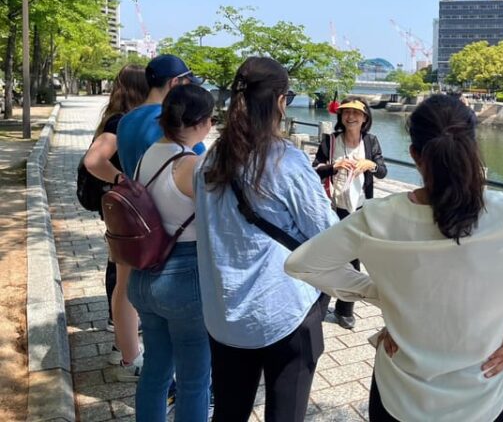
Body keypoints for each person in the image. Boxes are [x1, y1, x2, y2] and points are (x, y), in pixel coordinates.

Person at [286, 94, 503, 422]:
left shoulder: (375, 219)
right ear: (473, 148)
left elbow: (302, 264)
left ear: (414, 155)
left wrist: (380, 294)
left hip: (399, 394)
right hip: (487, 392)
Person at [194, 56, 338, 422]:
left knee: (228, 412)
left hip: (224, 313)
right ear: (280, 101)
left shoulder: (209, 160)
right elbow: (328, 236)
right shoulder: (286, 160)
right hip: (284, 311)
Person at [113, 54, 204, 382]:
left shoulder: (126, 120)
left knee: (124, 288)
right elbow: (199, 173)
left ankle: (129, 358)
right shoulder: (171, 124)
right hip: (168, 231)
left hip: (132, 221)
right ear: (176, 83)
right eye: (188, 81)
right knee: (176, 320)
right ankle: (178, 377)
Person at [127, 84, 214, 421]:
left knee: (155, 370)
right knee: (194, 380)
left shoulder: (149, 154)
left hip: (144, 274)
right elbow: (214, 222)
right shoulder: (191, 164)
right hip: (183, 280)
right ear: (201, 122)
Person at [83, 64, 149, 371]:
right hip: (124, 208)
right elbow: (94, 160)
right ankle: (125, 352)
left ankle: (122, 345)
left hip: (119, 207)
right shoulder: (121, 122)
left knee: (120, 271)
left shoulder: (117, 117)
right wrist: (125, 181)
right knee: (124, 277)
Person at [312, 97, 387, 329]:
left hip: (361, 209)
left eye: (356, 113)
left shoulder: (371, 142)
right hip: (334, 208)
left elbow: (382, 171)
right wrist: (334, 167)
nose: (350, 117)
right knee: (328, 258)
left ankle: (345, 310)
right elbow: (314, 171)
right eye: (346, 112)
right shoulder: (330, 141)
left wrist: (370, 165)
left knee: (354, 260)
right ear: (341, 116)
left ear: (365, 117)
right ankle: (320, 306)